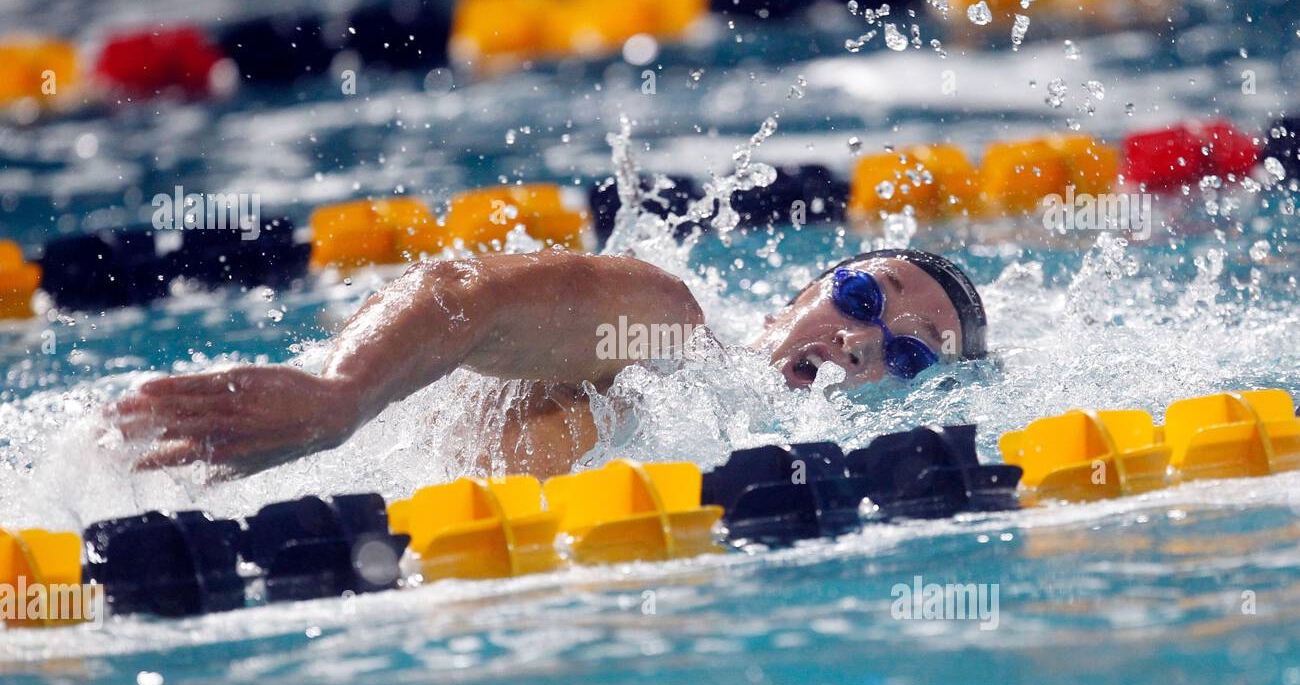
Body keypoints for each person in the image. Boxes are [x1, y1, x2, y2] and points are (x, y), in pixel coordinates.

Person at [109, 245, 987, 479]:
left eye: (909, 355)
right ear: (793, 297)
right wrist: (342, 394)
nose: (861, 340)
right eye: (864, 299)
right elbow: (466, 293)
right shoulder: (666, 333)